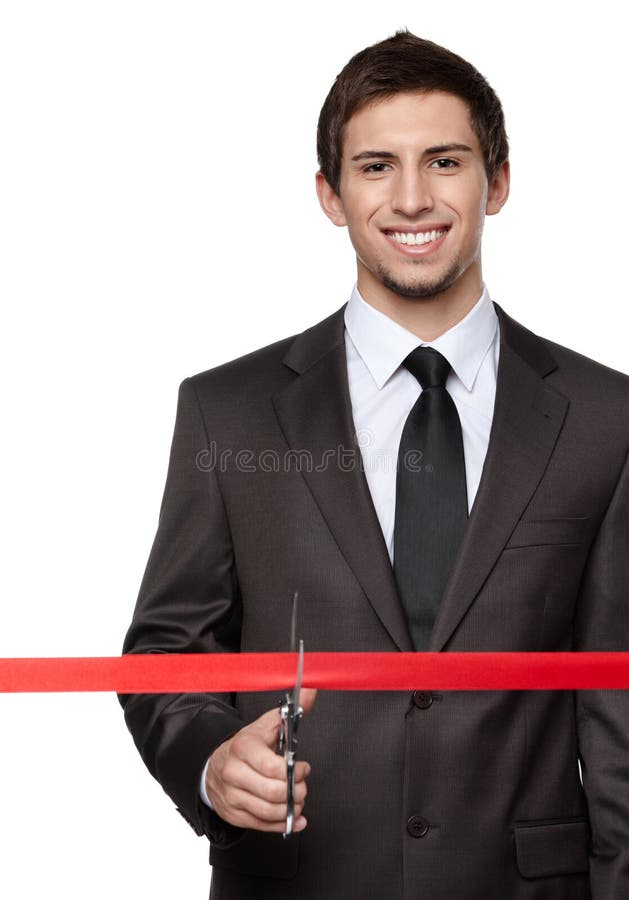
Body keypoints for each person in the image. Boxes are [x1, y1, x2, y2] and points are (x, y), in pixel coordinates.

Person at [120, 30, 629, 900]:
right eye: (373, 166)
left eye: (443, 161)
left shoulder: (605, 417)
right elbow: (167, 654)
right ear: (329, 194)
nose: (411, 198)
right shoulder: (228, 409)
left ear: (495, 182)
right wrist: (211, 763)